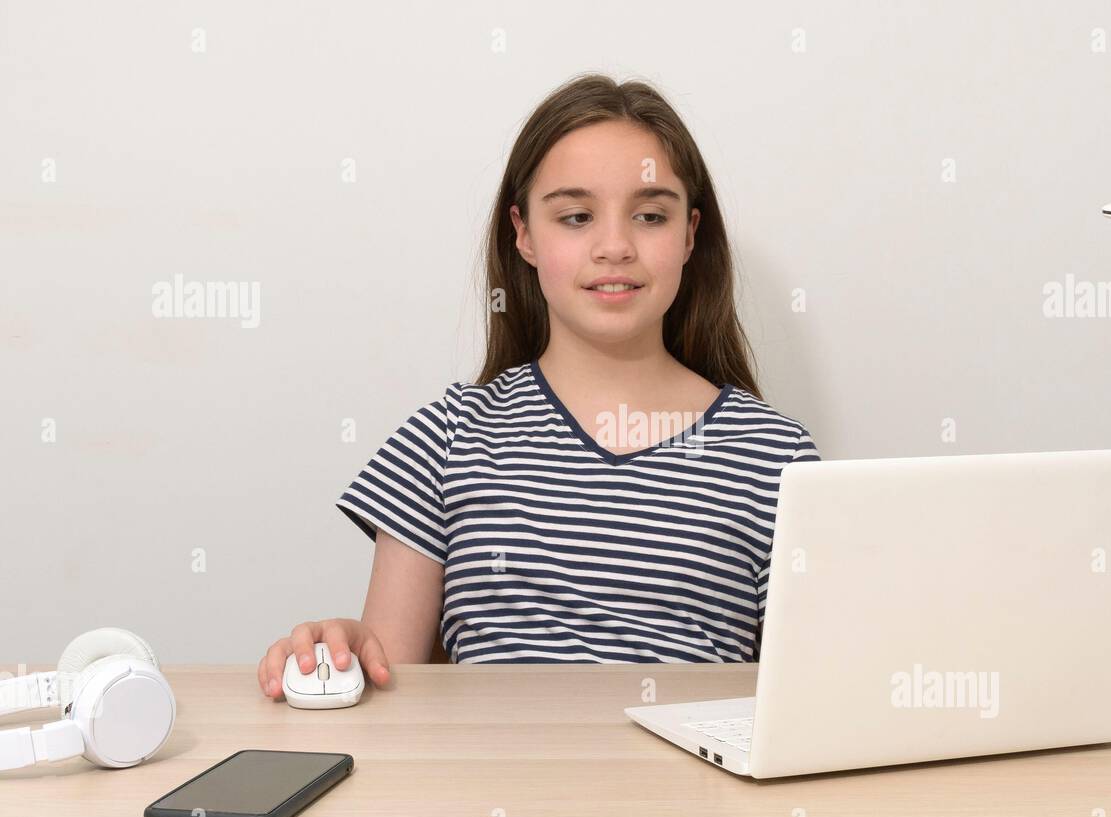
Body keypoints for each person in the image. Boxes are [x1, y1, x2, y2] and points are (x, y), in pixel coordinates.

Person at [258, 72, 819, 698]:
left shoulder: (776, 457)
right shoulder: (447, 437)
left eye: (651, 216)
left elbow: (817, 694)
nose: (615, 247)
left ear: (690, 234)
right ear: (523, 234)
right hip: (491, 792)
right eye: (576, 216)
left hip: (690, 795)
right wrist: (345, 650)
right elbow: (389, 685)